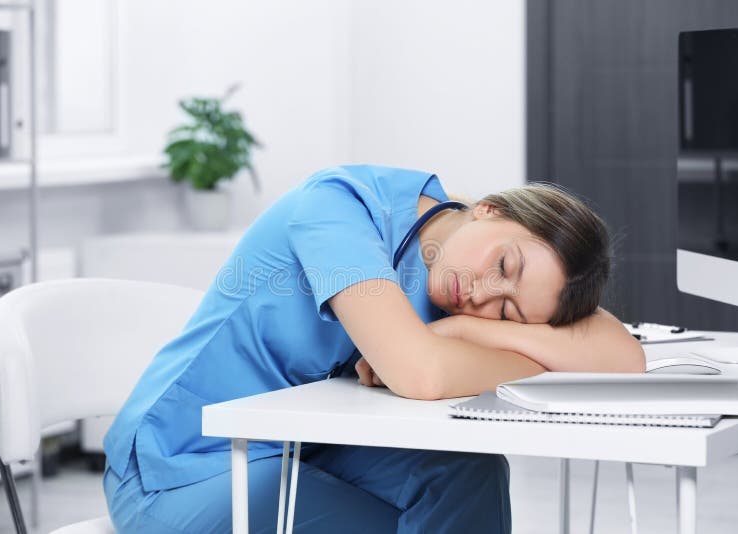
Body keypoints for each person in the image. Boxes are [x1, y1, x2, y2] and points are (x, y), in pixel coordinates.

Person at [102, 165, 644, 533]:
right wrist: (515, 345)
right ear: (491, 209)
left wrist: (467, 333)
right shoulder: (337, 208)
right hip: (181, 464)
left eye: (508, 310)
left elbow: (624, 356)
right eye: (505, 266)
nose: (481, 295)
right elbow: (420, 374)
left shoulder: (458, 297)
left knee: (468, 475)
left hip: (301, 446)